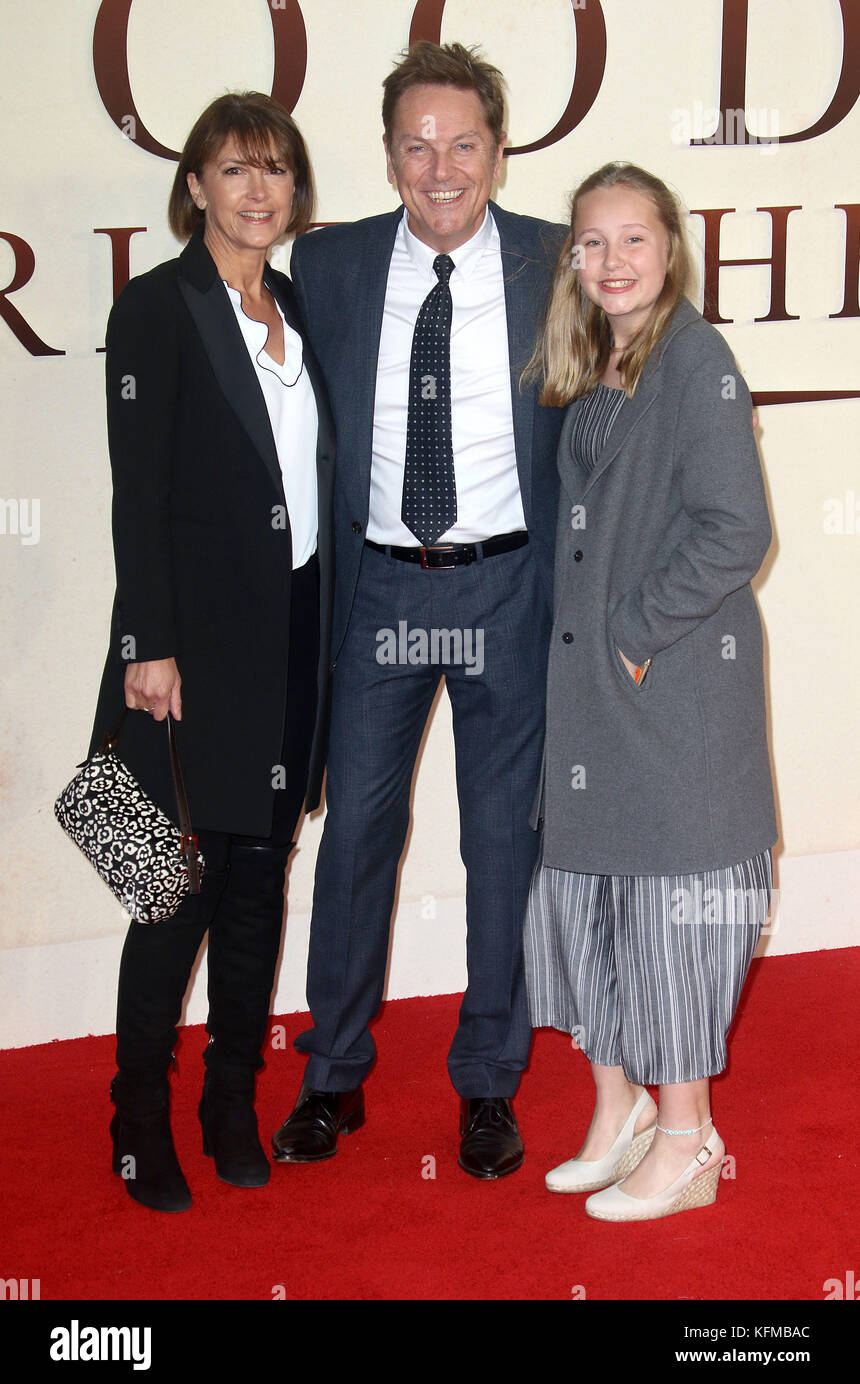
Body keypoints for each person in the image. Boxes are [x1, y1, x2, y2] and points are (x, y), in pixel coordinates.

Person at [271, 41, 567, 1178]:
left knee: (502, 845)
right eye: (415, 145)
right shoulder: (329, 265)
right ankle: (332, 1076)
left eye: (460, 143)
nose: (438, 167)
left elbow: (630, 375)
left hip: (507, 586)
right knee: (355, 838)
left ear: (496, 149)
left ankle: (487, 1082)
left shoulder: (554, 260)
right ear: (388, 157)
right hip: (382, 588)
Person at [90, 92, 334, 1211]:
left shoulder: (295, 305)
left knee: (254, 886)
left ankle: (229, 1101)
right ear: (194, 185)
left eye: (275, 169)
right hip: (184, 653)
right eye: (234, 169)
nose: (256, 190)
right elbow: (135, 491)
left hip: (287, 641)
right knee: (168, 890)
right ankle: (137, 1117)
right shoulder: (155, 309)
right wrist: (148, 642)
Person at [523, 161, 778, 1220]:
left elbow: (738, 529)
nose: (612, 259)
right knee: (592, 896)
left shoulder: (694, 358)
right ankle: (617, 1107)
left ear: (668, 250)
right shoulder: (596, 360)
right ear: (573, 261)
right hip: (595, 697)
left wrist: (630, 633)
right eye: (591, 241)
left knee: (670, 910)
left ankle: (687, 1142)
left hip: (669, 690)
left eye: (633, 238)